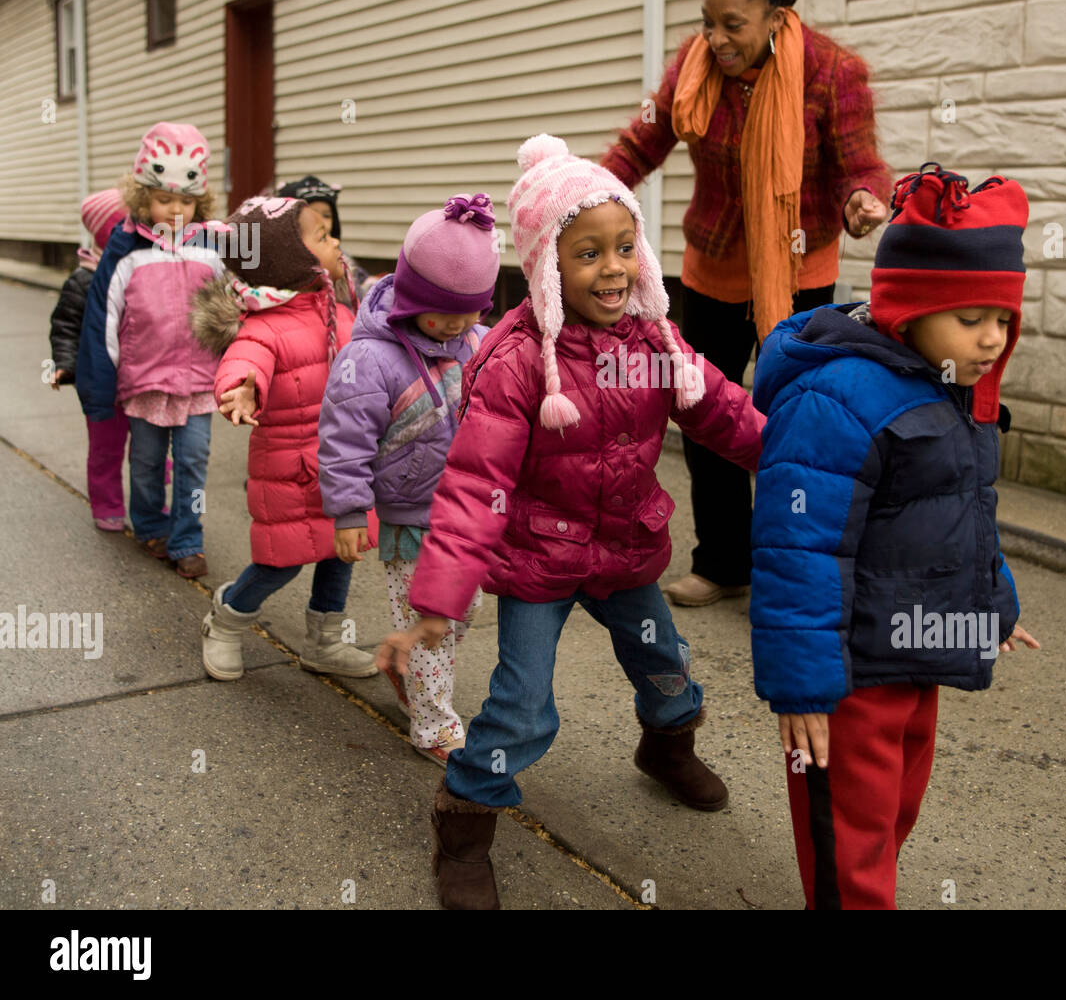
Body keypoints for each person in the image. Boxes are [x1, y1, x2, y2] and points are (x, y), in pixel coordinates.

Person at [376, 135, 766, 910]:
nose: (613, 268)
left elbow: (724, 409)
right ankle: (464, 825)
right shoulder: (517, 361)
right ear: (548, 266)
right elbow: (475, 482)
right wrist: (437, 600)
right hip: (539, 561)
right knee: (522, 708)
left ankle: (665, 746)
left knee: (671, 673)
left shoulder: (657, 342)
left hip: (624, 551)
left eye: (625, 248)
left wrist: (797, 462)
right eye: (587, 255)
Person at [748, 163, 1042, 910]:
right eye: (971, 317)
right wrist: (803, 687)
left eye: (1002, 319)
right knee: (850, 839)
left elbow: (966, 509)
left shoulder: (953, 391)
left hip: (917, 653)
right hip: (846, 677)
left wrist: (995, 602)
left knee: (892, 814)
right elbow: (796, 549)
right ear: (910, 310)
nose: (991, 338)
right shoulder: (838, 399)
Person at [602, 0, 893, 608]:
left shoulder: (832, 71)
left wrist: (864, 199)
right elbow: (641, 144)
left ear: (777, 14)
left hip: (797, 270)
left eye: (733, 24)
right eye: (708, 22)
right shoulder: (695, 65)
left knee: (801, 420)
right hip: (710, 267)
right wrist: (585, 190)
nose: (717, 39)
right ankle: (725, 562)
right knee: (705, 413)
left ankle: (801, 570)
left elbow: (862, 162)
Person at [318, 193, 499, 764]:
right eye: (443, 312)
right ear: (412, 296)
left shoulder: (475, 341)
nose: (457, 324)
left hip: (466, 513)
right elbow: (344, 438)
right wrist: (349, 512)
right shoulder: (369, 359)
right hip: (410, 518)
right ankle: (434, 726)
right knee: (431, 622)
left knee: (459, 612)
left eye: (469, 311)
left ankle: (412, 677)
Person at [190, 195, 379, 682]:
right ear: (289, 261)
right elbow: (244, 360)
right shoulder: (264, 327)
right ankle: (227, 619)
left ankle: (325, 640)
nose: (336, 240)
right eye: (321, 236)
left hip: (343, 470)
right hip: (291, 475)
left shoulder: (338, 310)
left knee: (342, 554)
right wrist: (241, 389)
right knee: (280, 563)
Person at [77, 123, 225, 578]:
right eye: (164, 199)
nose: (176, 209)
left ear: (199, 201)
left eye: (186, 200)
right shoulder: (124, 251)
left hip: (198, 382)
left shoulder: (212, 250)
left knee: (193, 460)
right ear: (143, 197)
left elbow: (233, 307)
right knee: (144, 462)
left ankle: (187, 538)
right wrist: (103, 383)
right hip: (143, 380)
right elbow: (103, 319)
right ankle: (150, 525)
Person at [49, 189, 131, 531]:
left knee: (151, 447)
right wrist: (64, 364)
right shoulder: (83, 279)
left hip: (140, 376)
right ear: (107, 231)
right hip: (99, 381)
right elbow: (65, 326)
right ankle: (107, 505)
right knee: (106, 449)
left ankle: (151, 501)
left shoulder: (142, 265)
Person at [277, 175, 378, 306]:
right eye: (313, 215)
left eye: (327, 215)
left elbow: (363, 285)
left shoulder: (343, 260)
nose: (322, 222)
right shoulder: (282, 270)